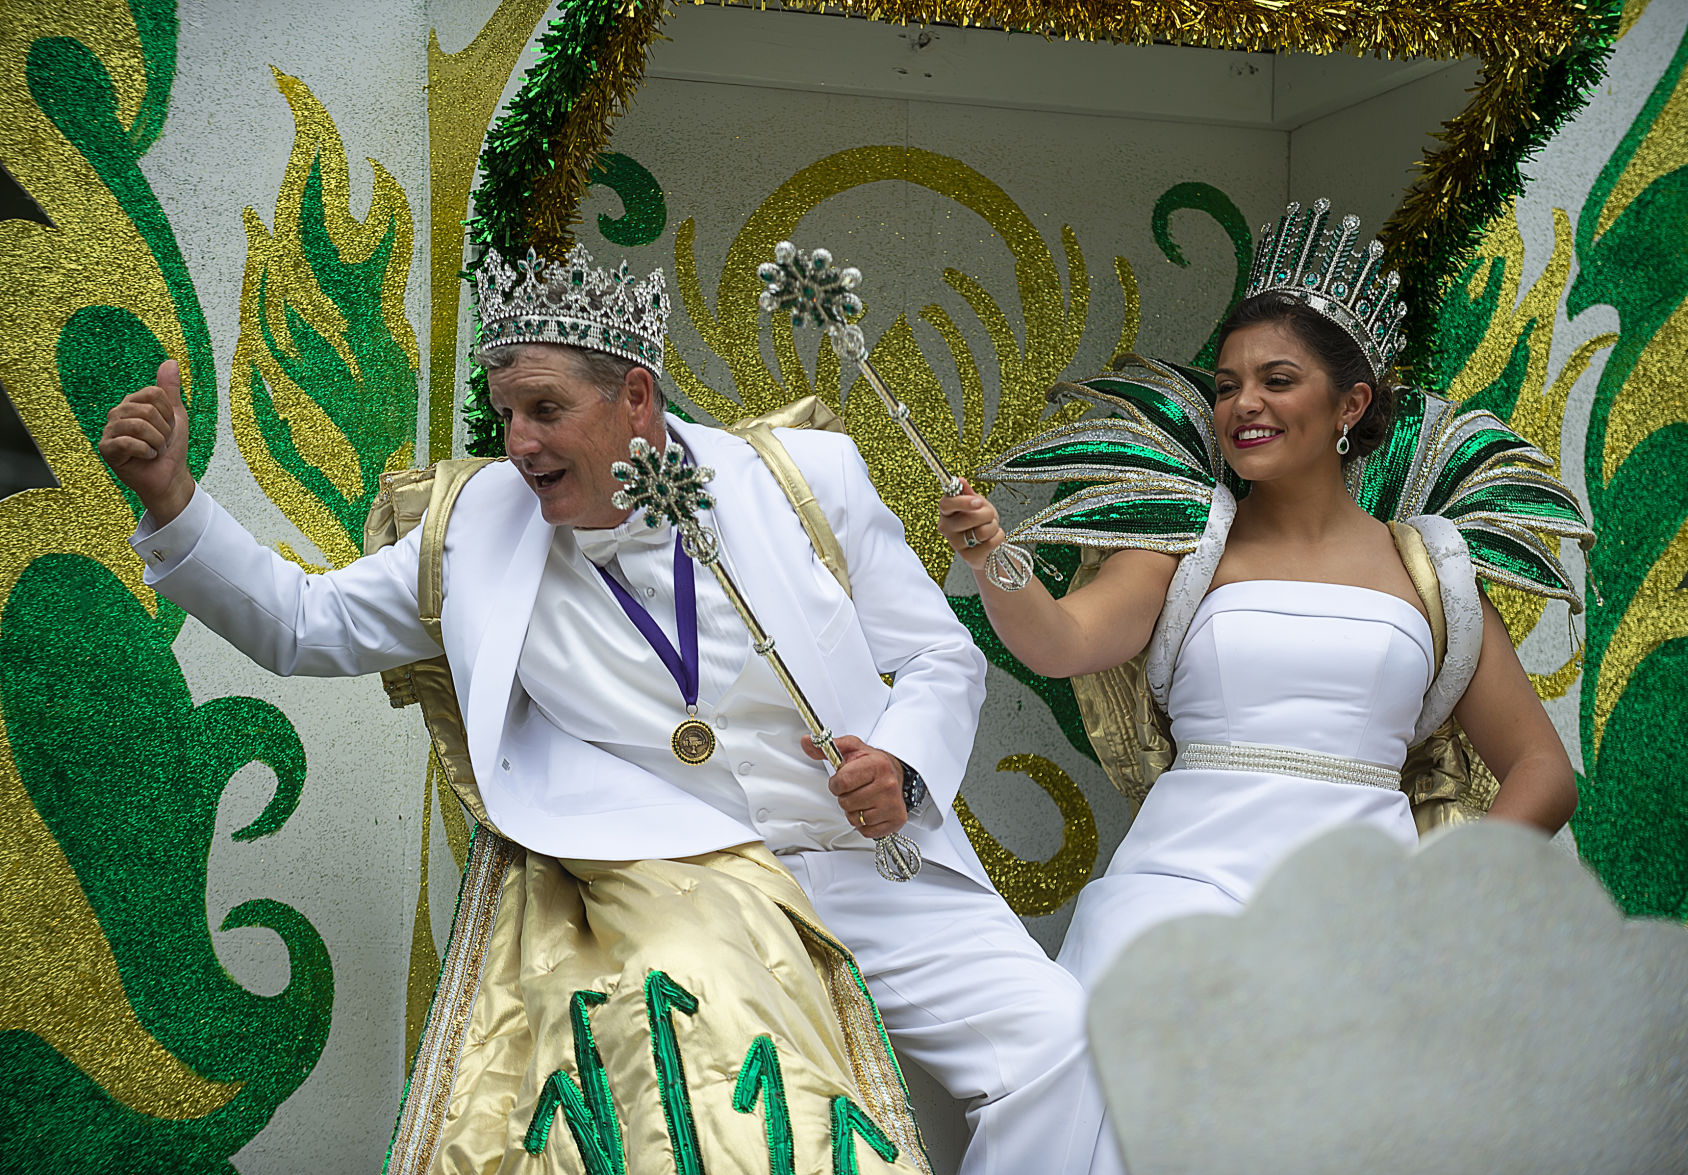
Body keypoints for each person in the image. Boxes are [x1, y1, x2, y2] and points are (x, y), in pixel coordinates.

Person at [99, 246, 1109, 1174]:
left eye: (543, 409)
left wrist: (902, 763)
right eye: (505, 414)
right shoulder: (473, 530)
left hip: (871, 862)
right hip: (686, 897)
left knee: (1071, 1052)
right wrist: (175, 502)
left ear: (634, 397)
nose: (518, 441)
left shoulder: (802, 479)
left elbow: (936, 653)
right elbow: (303, 622)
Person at [937, 198, 1585, 993]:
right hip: (1174, 907)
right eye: (1228, 384)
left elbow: (1543, 769)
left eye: (1277, 380)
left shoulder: (1432, 571)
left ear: (1349, 404)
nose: (1244, 403)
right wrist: (992, 555)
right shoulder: (1184, 548)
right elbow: (1060, 642)